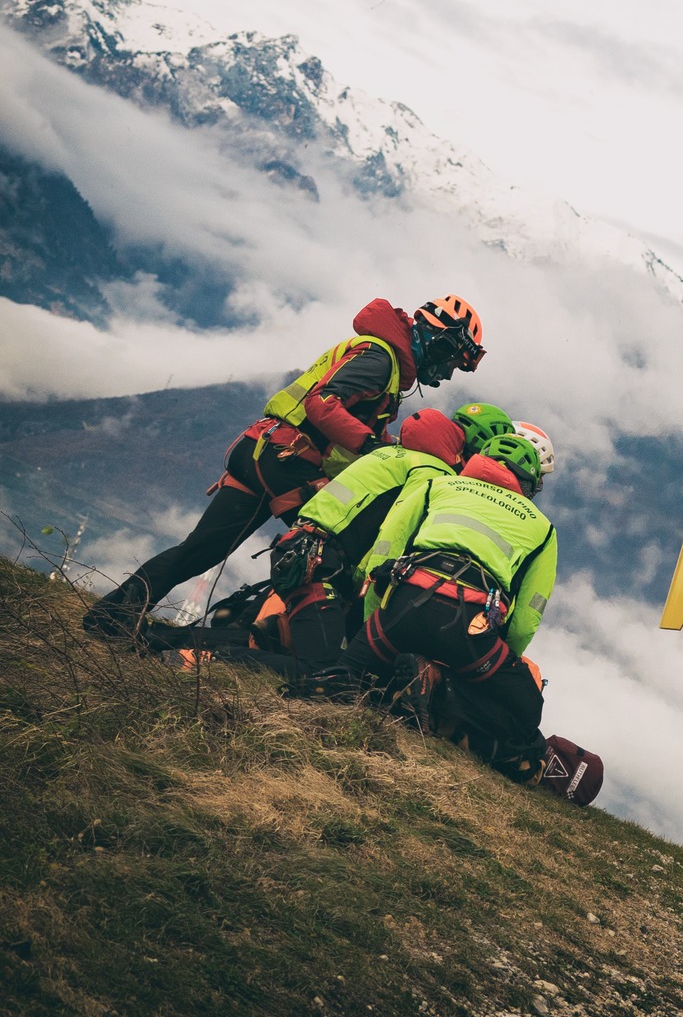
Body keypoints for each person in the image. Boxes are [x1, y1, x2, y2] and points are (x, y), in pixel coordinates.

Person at [83, 296, 487, 643]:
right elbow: (323, 404)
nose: (450, 372)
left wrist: (378, 448)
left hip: (262, 450)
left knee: (200, 550)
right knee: (333, 552)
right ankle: (303, 654)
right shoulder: (381, 359)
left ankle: (108, 617)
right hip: (287, 461)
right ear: (438, 340)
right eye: (453, 360)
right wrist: (371, 448)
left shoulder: (383, 359)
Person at [338, 432, 557, 782]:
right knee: (526, 711)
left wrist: (372, 624)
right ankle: (440, 686)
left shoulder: (437, 486)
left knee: (345, 677)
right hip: (470, 630)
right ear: (529, 481)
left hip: (402, 610)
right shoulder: (542, 528)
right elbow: (528, 617)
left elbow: (385, 548)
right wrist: (495, 662)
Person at [265, 407, 469, 672]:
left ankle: (246, 640)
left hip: (300, 551)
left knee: (330, 657)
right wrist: (372, 588)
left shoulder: (385, 454)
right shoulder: (432, 471)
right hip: (323, 563)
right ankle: (210, 658)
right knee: (321, 669)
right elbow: (394, 531)